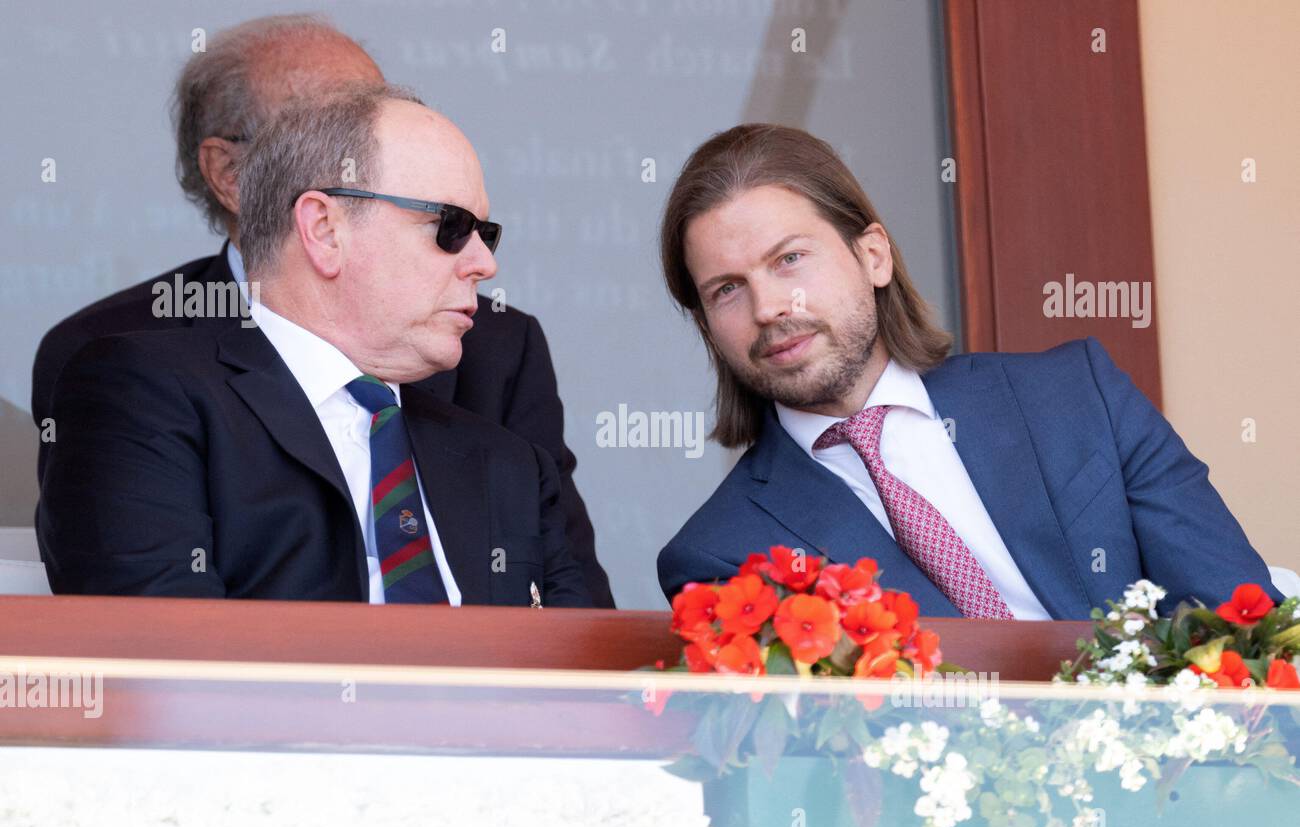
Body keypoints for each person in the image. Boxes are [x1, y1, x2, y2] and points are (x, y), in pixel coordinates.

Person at [31, 13, 614, 606]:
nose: (485, 264)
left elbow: (581, 649)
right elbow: (161, 649)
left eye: (485, 234)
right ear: (324, 229)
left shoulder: (508, 462)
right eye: (449, 226)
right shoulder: (142, 391)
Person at [656, 123, 1280, 619]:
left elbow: (1242, 632)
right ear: (707, 325)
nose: (768, 308)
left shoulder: (1078, 397)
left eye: (789, 259)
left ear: (873, 256)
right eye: (727, 290)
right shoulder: (721, 557)